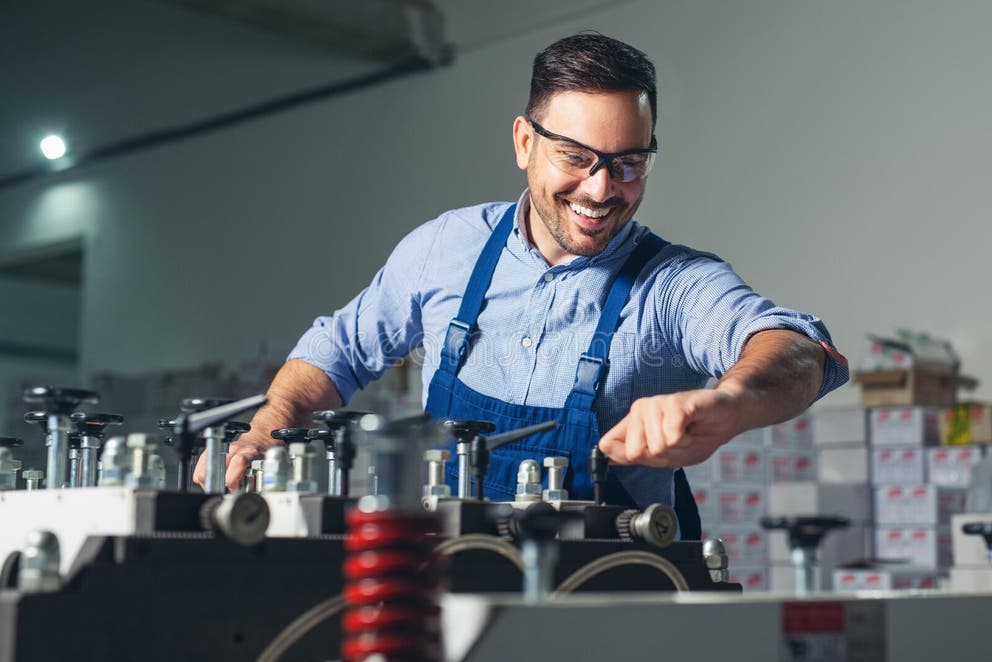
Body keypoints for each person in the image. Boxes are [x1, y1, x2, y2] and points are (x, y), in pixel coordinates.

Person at [194, 33, 848, 536]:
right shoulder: (445, 249)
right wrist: (270, 425)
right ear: (523, 142)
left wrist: (729, 403)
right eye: (577, 158)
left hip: (606, 601)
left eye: (628, 164)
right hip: (447, 577)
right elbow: (336, 351)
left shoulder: (673, 286)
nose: (601, 189)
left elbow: (797, 351)